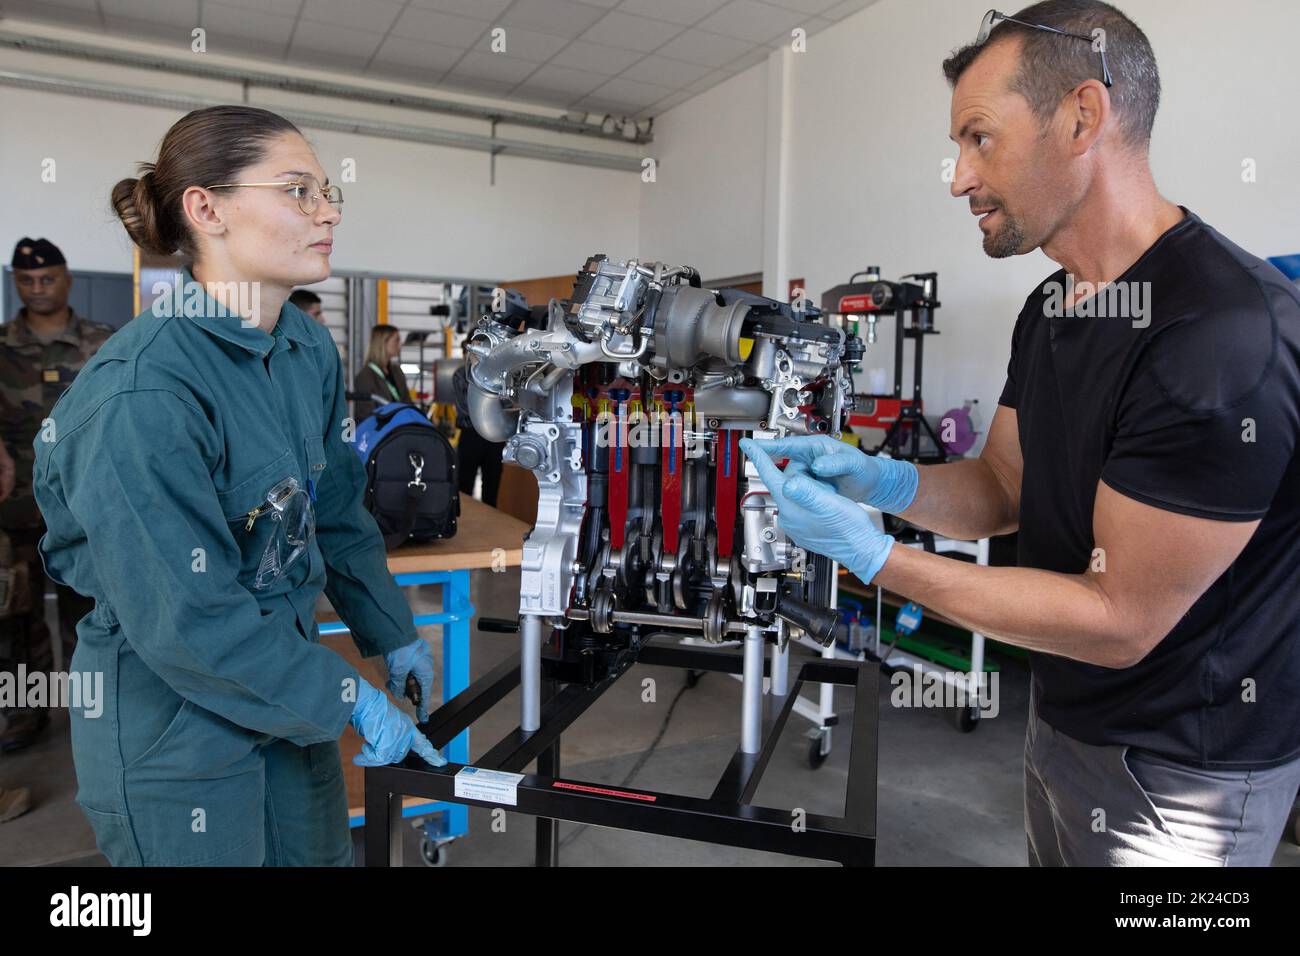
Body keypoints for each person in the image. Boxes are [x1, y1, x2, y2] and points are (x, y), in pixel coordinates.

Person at [743, 0, 1300, 866]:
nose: (958, 178)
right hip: (1062, 718)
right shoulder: (1052, 305)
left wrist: (879, 560)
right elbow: (1001, 487)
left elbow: (1122, 619)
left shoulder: (1219, 330)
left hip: (1186, 774)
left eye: (979, 138)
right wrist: (884, 483)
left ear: (1082, 117)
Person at [33, 104, 444, 867]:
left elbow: (336, 512)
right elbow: (187, 620)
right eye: (298, 191)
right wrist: (348, 697)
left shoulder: (304, 346)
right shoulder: (142, 393)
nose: (327, 213)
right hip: (174, 713)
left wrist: (389, 630)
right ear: (206, 209)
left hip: (287, 688)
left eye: (328, 193)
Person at [0, 238, 112, 752]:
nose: (38, 288)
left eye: (48, 278)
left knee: (88, 607)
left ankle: (94, 708)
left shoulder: (102, 342)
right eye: (27, 280)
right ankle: (26, 711)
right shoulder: (1, 345)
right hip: (16, 500)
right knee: (16, 614)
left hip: (85, 501)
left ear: (67, 278)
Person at [352, 323, 409, 421]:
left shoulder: (397, 371)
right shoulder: (365, 376)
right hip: (381, 432)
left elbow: (407, 402)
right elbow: (365, 416)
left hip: (401, 428)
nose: (400, 344)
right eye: (397, 340)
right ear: (383, 343)